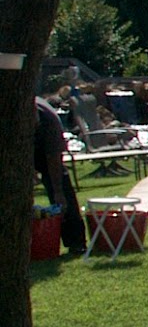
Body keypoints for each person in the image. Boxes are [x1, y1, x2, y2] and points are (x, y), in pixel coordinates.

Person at [35, 96, 87, 254]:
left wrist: (58, 191)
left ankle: (76, 241)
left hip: (46, 154)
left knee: (63, 193)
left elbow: (54, 158)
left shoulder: (49, 124)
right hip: (30, 147)